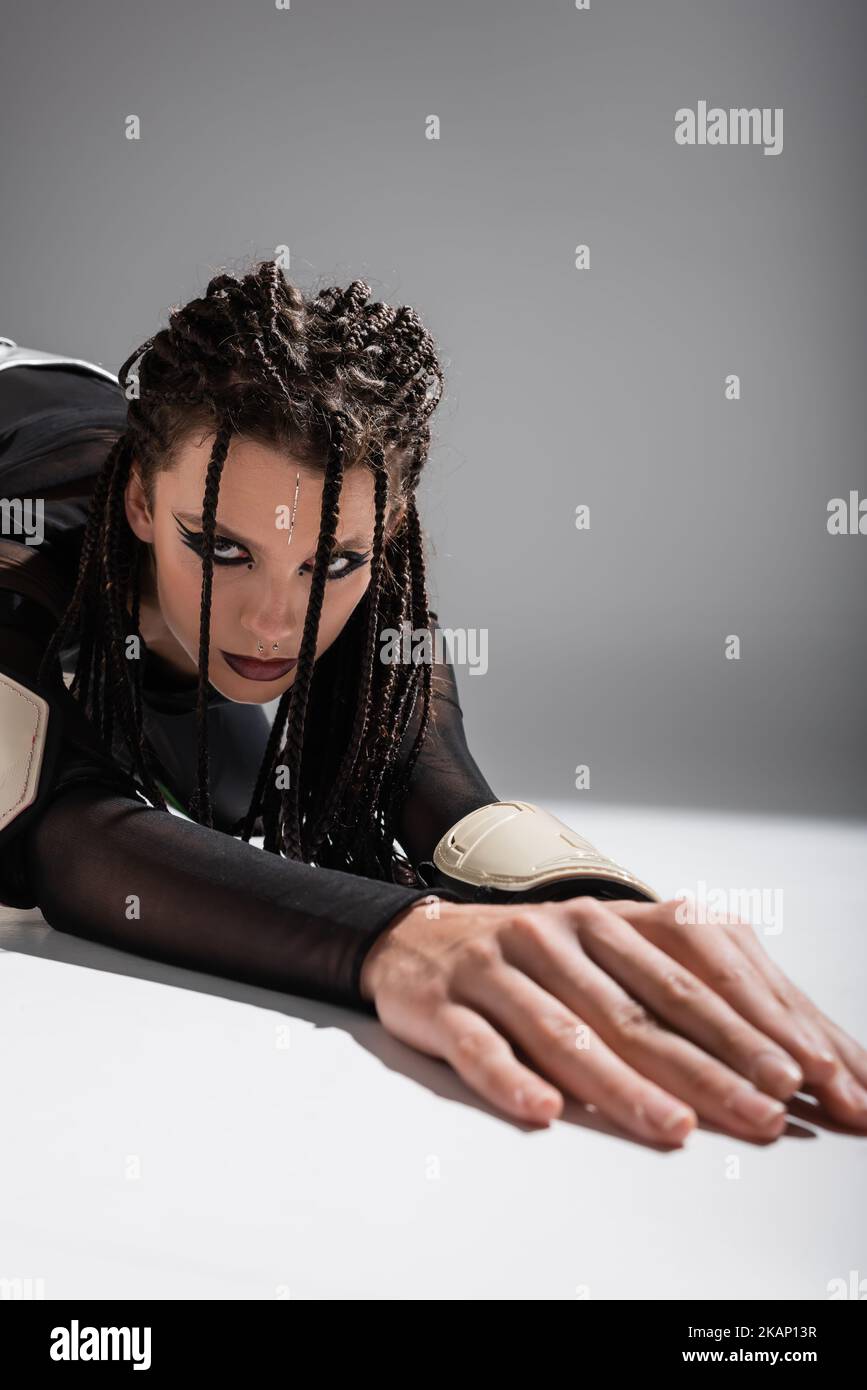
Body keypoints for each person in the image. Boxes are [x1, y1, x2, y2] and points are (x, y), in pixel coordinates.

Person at [1, 261, 865, 1149]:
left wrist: (607, 912)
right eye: (220, 547)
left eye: (331, 565)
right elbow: (57, 836)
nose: (274, 624)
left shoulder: (349, 533)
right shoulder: (21, 555)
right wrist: (399, 938)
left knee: (222, 787)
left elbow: (443, 794)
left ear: (390, 525)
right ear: (142, 502)